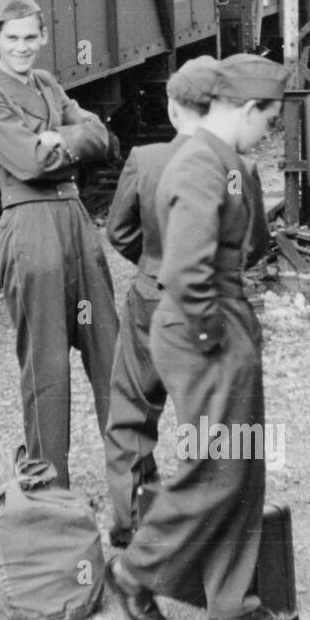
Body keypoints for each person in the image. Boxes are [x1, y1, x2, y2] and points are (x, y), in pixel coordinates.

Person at [105, 53, 299, 620]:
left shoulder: (224, 160)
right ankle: (137, 571)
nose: (268, 131)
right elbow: (186, 273)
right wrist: (216, 341)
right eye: (267, 119)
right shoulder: (199, 165)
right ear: (244, 109)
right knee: (213, 470)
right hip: (200, 332)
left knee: (241, 469)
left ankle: (232, 606)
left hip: (222, 325)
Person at [0, 0, 118, 489]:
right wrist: (54, 144)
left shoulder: (48, 83)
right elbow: (31, 162)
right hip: (30, 227)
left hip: (75, 221)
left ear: (43, 37)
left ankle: (133, 486)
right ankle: (52, 498)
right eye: (12, 38)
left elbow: (103, 138)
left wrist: (60, 141)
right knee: (47, 365)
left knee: (109, 351)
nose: (22, 47)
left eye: (31, 37)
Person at [103, 57, 217, 548]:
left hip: (150, 297)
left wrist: (153, 263)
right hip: (208, 306)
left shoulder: (145, 161)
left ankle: (132, 521)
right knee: (207, 416)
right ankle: (208, 519)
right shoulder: (233, 168)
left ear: (172, 109)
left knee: (131, 409)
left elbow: (117, 231)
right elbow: (252, 246)